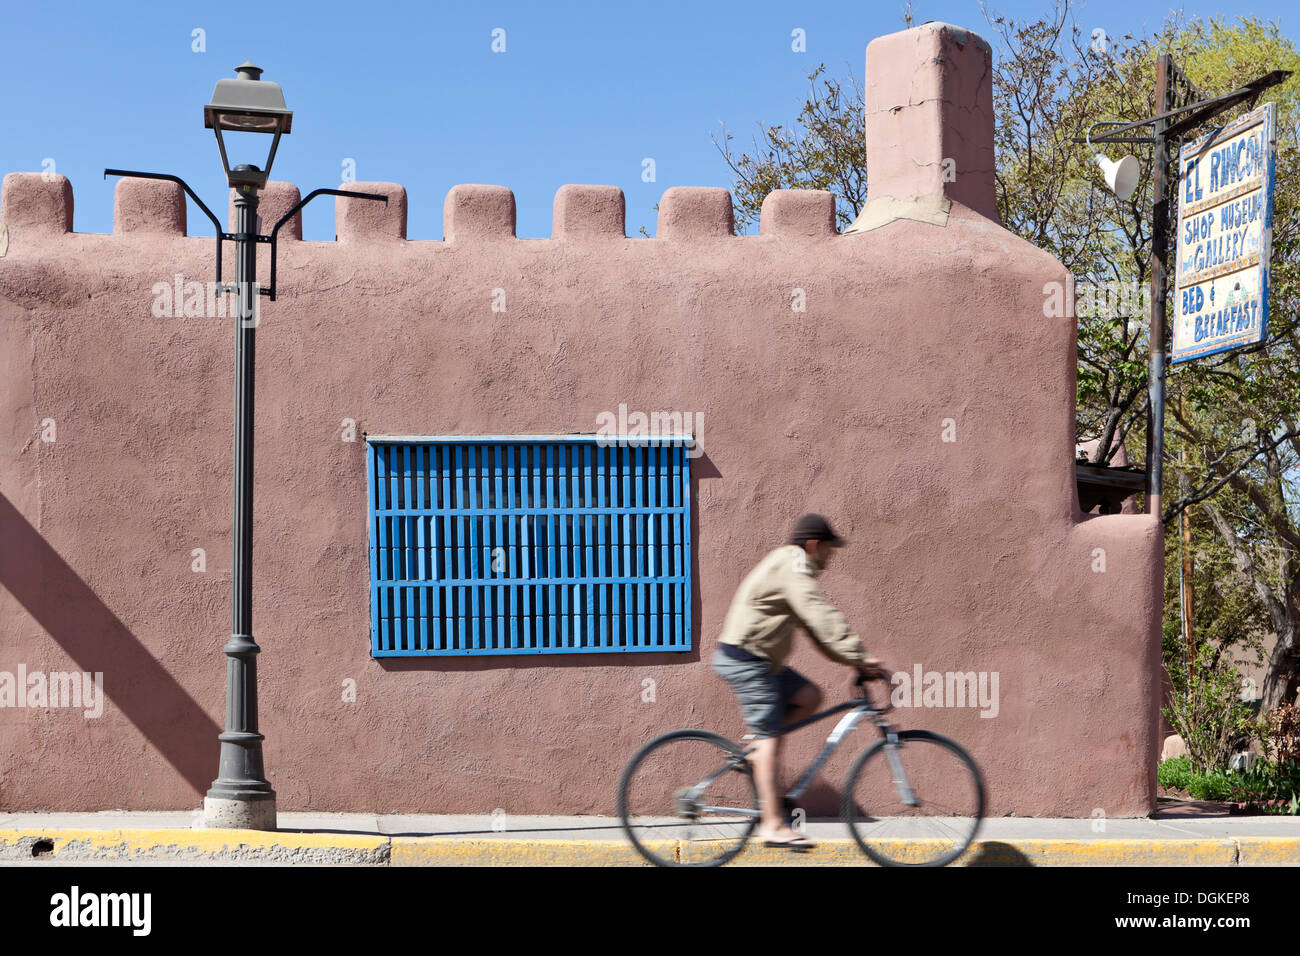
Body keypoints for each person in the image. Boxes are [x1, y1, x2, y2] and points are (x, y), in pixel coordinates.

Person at [711, 514, 883, 848]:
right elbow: (820, 615)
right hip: (747, 659)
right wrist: (859, 656)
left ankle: (754, 750)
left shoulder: (793, 567)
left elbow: (815, 627)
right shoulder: (794, 567)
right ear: (814, 545)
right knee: (770, 738)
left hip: (762, 659)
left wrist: (851, 659)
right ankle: (772, 825)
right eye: (830, 551)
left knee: (809, 697)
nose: (831, 559)